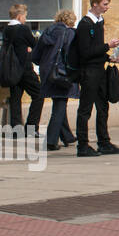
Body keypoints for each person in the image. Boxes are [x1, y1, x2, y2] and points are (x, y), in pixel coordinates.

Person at [74, 0, 119, 157]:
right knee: (85, 109)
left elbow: (97, 51)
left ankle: (104, 142)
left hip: (99, 69)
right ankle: (82, 145)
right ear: (94, 4)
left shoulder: (99, 21)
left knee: (103, 106)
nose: (107, 7)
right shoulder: (85, 24)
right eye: (104, 4)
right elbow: (85, 52)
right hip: (88, 71)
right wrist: (107, 46)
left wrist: (110, 58)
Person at [36, 10, 79, 151]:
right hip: (62, 73)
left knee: (59, 102)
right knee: (60, 105)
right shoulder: (70, 33)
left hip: (47, 72)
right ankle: (51, 140)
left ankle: (67, 136)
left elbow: (36, 55)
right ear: (71, 21)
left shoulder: (48, 31)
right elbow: (72, 55)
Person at [1, 5, 42, 133]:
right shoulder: (23, 29)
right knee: (39, 95)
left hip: (12, 68)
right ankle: (31, 128)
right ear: (19, 16)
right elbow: (35, 44)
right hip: (24, 68)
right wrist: (29, 48)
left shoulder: (6, 29)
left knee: (15, 98)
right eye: (25, 16)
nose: (25, 19)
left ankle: (16, 130)